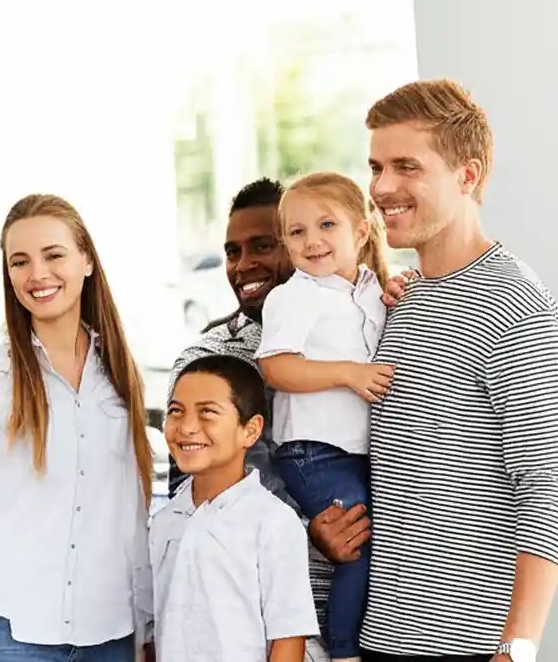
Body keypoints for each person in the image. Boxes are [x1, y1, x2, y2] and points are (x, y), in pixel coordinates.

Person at [360, 79, 558, 662]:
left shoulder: (516, 303)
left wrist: (519, 646)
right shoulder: (398, 298)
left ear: (468, 175)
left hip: (468, 647)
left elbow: (549, 486)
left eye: (407, 166)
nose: (382, 188)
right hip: (377, 637)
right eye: (376, 167)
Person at [0, 193, 154, 662]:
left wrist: (146, 622)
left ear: (87, 261)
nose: (37, 274)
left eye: (53, 255)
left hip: (110, 632)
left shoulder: (121, 374)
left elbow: (132, 512)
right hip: (11, 634)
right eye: (20, 262)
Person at [168, 178, 375, 661]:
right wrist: (306, 533)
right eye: (232, 251)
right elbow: (192, 500)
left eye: (263, 245)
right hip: (260, 626)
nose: (244, 265)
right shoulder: (207, 360)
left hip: (384, 619)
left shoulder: (362, 311)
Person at [255, 172, 394, 662]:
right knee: (359, 540)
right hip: (313, 452)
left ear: (360, 232)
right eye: (296, 232)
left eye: (327, 225)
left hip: (358, 451)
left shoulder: (374, 293)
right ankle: (345, 651)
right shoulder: (295, 296)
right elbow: (276, 366)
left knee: (389, 541)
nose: (311, 240)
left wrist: (401, 290)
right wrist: (347, 374)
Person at [151, 354, 319, 662]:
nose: (187, 427)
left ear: (250, 430)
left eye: (207, 413)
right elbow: (151, 632)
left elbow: (288, 640)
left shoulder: (273, 523)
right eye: (176, 411)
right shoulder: (162, 523)